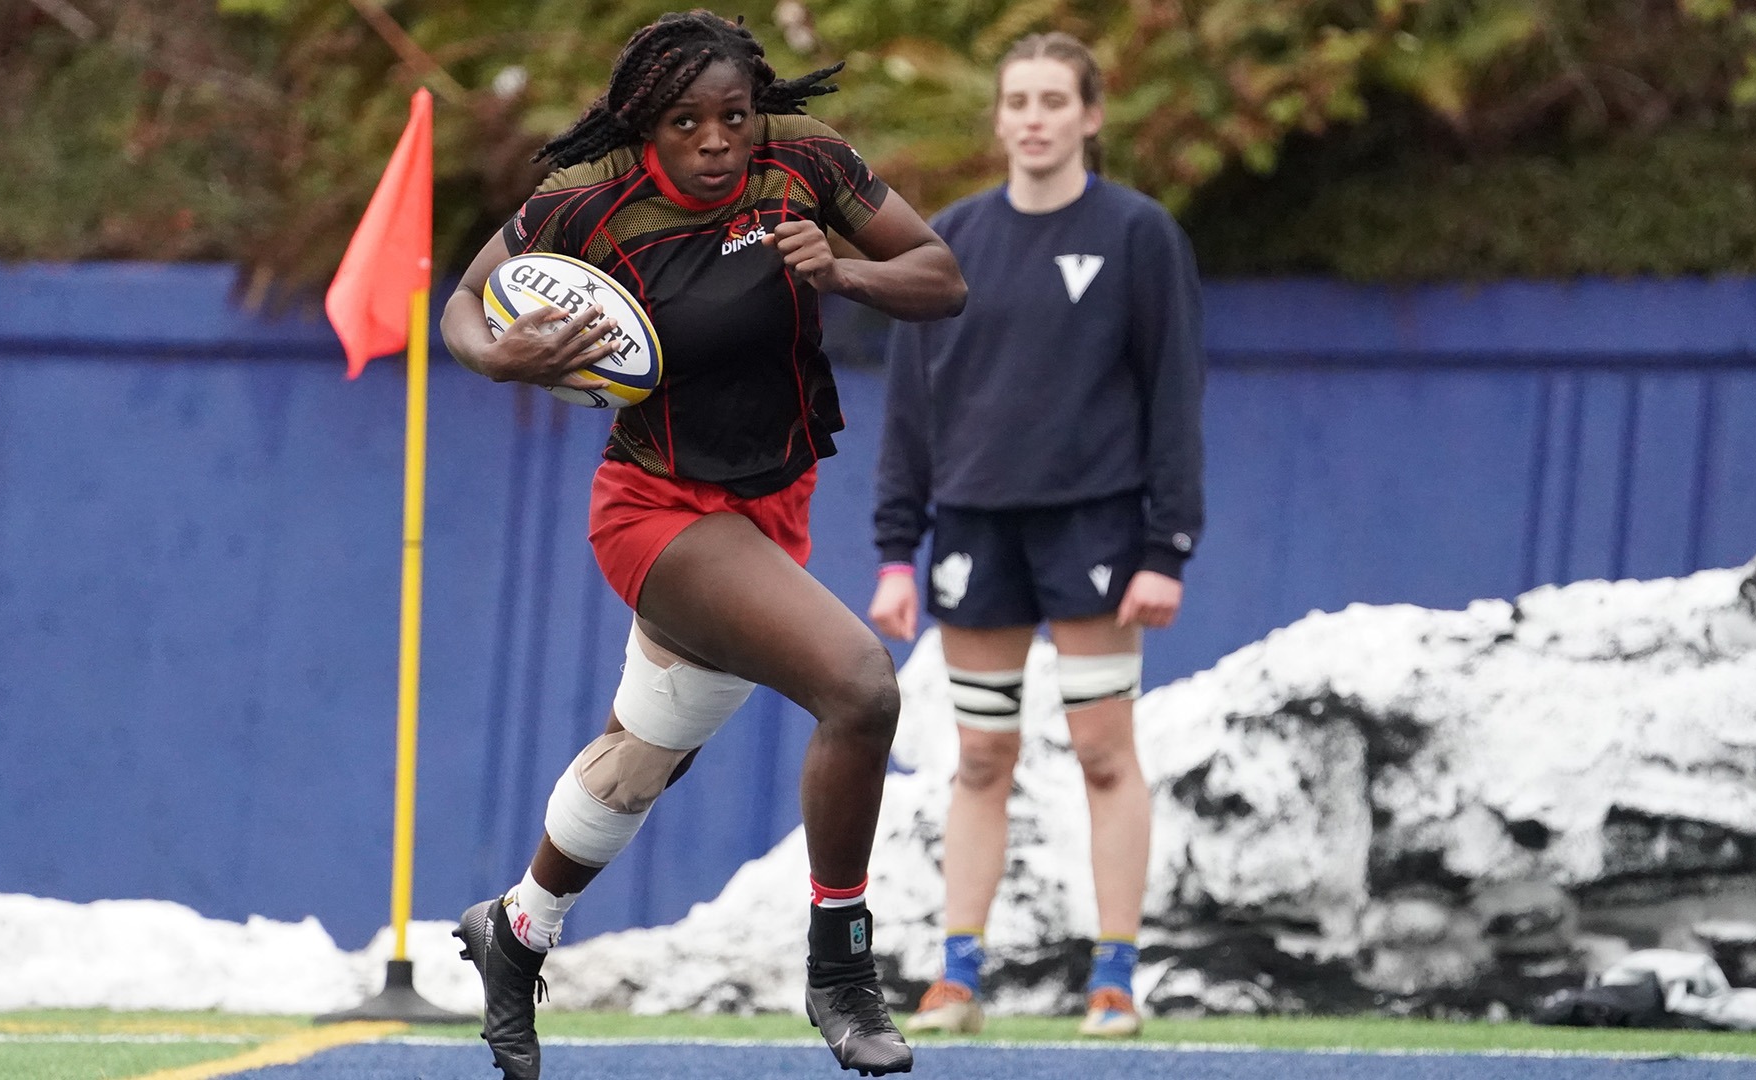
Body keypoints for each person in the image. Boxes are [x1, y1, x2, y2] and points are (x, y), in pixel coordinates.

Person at [439, 12, 965, 1079]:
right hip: (657, 514)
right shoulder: (584, 207)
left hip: (771, 511)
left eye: (733, 115)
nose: (718, 139)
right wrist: (501, 357)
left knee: (640, 759)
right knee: (861, 687)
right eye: (687, 122)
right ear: (645, 127)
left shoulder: (805, 165)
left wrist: (845, 274)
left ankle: (518, 929)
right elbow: (462, 303)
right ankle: (843, 974)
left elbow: (941, 277)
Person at [866, 31, 1204, 1040]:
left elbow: (1174, 395)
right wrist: (896, 550)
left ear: (1091, 116)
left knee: (1105, 750)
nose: (1034, 117)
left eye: (1055, 99)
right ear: (1000, 116)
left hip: (1097, 527)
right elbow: (909, 410)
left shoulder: (1141, 235)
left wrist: (1167, 547)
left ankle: (1113, 979)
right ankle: (956, 978)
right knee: (980, 757)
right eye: (1018, 100)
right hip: (973, 530)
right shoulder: (948, 240)